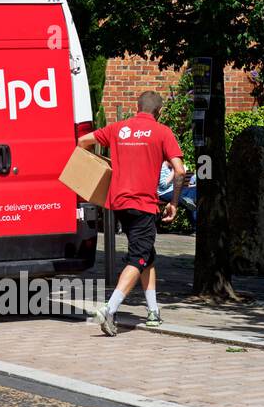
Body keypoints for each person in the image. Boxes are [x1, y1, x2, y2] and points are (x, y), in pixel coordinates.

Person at [78, 91, 186, 333]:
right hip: (143, 205)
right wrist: (175, 203)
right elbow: (179, 171)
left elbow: (83, 141)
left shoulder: (118, 128)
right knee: (137, 258)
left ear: (137, 107)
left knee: (147, 254)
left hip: (119, 204)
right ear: (159, 112)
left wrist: (99, 167)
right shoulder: (162, 132)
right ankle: (110, 309)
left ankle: (153, 311)